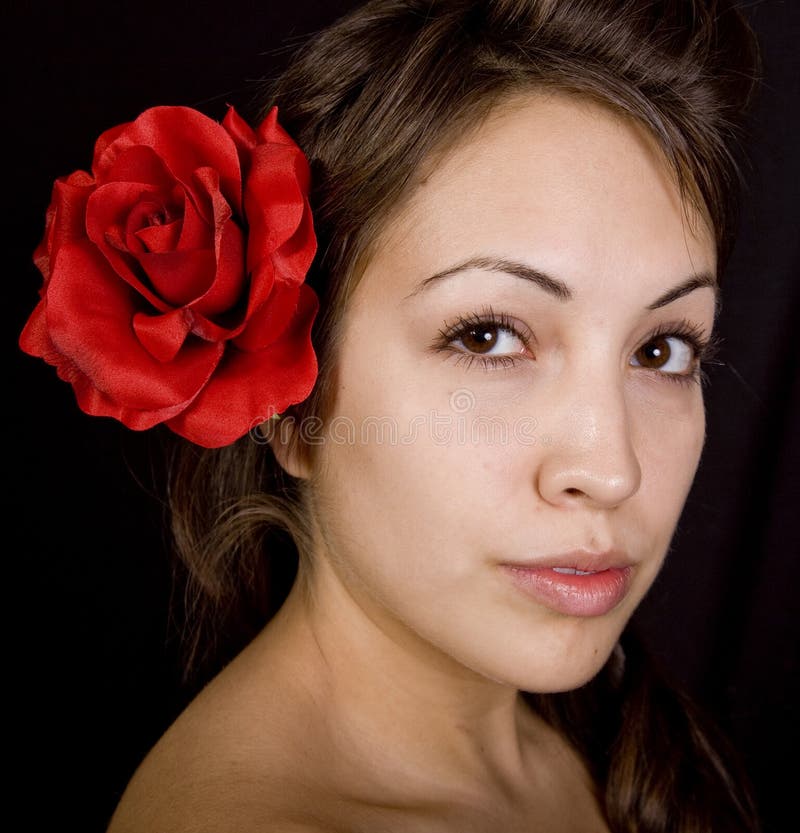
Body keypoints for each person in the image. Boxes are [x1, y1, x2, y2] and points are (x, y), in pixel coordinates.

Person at [19, 0, 765, 830]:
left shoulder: (611, 740)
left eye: (662, 349)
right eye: (487, 336)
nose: (611, 469)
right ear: (288, 401)